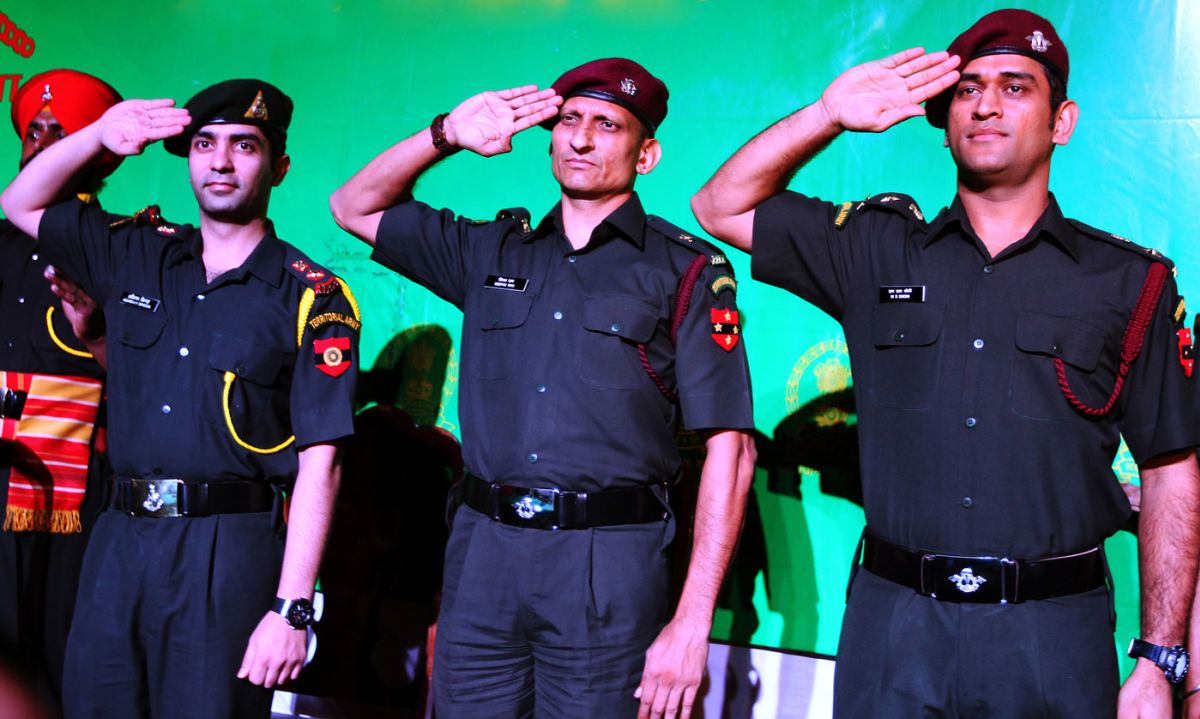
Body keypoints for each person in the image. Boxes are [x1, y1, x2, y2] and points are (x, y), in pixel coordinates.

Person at [692, 9, 1199, 718]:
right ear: (943, 114)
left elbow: (1170, 469)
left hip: (1052, 636)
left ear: (1064, 122)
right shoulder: (873, 248)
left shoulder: (1128, 281)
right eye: (967, 89)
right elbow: (720, 205)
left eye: (1016, 87)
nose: (986, 103)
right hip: (896, 629)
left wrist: (1160, 657)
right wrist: (828, 114)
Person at [330, 58, 756, 719]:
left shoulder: (687, 269)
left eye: (607, 125)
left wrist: (692, 621)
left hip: (605, 567)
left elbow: (732, 449)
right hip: (483, 556)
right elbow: (353, 206)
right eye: (568, 120)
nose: (581, 138)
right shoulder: (494, 249)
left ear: (647, 155)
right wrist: (444, 133)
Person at [0, 78, 360, 717]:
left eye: (243, 146)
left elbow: (321, 462)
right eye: (204, 144)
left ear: (278, 166)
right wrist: (97, 137)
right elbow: (20, 201)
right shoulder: (134, 249)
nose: (220, 162)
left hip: (227, 548)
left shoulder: (313, 295)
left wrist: (292, 608)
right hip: (118, 541)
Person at [0, 68, 118, 710]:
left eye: (60, 132)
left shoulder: (123, 247)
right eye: (33, 130)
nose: (40, 144)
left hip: (76, 485)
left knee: (56, 646)